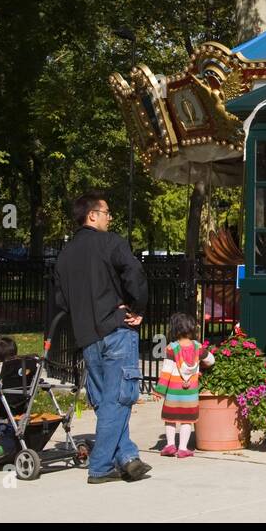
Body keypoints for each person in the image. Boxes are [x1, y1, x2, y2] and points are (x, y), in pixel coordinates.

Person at [53, 190, 151, 483]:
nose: (109, 218)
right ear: (92, 215)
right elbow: (135, 272)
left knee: (106, 399)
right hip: (116, 329)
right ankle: (100, 465)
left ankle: (128, 457)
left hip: (86, 336)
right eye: (107, 213)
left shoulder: (65, 255)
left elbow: (61, 299)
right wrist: (138, 306)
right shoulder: (112, 242)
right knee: (121, 398)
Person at [154, 312, 215, 458]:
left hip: (173, 392)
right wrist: (203, 364)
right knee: (187, 420)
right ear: (192, 329)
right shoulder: (198, 347)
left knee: (170, 418)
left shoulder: (171, 348)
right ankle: (182, 448)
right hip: (190, 393)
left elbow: (166, 371)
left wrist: (159, 390)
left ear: (174, 330)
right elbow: (211, 360)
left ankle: (169, 445)